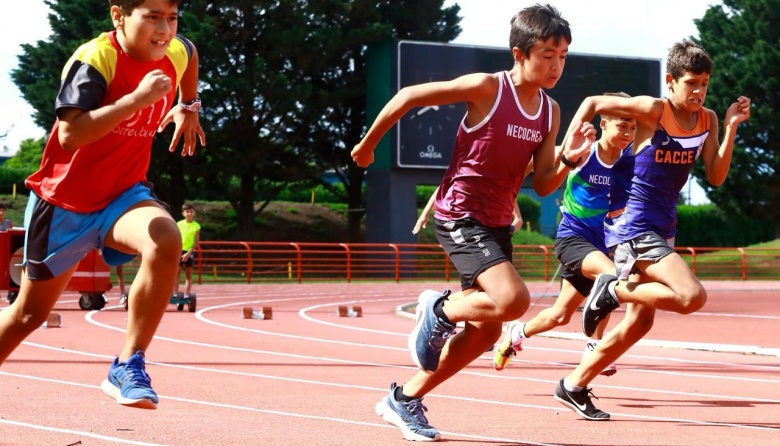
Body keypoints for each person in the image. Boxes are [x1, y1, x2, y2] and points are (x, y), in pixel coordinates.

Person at [352, 4, 595, 441]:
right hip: (460, 213)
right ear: (519, 53)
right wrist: (369, 145)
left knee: (486, 333)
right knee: (515, 300)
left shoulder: (550, 112)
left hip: (497, 223)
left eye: (563, 56)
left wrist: (571, 159)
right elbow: (409, 96)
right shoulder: (487, 88)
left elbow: (542, 184)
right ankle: (439, 309)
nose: (556, 65)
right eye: (547, 55)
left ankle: (404, 399)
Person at [0, 0, 206, 410]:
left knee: (165, 239)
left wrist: (189, 106)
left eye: (172, 17)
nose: (165, 29)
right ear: (119, 16)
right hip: (64, 203)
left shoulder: (175, 52)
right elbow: (70, 136)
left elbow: (191, 54)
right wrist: (137, 99)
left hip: (123, 196)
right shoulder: (95, 59)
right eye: (152, 17)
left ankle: (129, 363)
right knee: (28, 315)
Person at [554, 40, 751, 420]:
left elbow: (716, 175)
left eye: (705, 84)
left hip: (664, 226)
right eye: (691, 83)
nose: (698, 92)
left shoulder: (708, 119)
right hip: (633, 224)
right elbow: (595, 103)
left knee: (641, 322)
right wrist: (571, 144)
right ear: (671, 81)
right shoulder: (652, 110)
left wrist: (729, 128)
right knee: (691, 296)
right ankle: (611, 289)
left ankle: (573, 385)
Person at [493, 92, 637, 380]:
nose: (628, 133)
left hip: (600, 246)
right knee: (612, 276)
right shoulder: (584, 151)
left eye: (633, 127)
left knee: (559, 315)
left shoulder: (628, 160)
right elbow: (533, 166)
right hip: (572, 239)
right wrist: (504, 190)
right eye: (622, 125)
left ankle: (516, 332)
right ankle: (594, 346)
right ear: (604, 123)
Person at [413, 186, 523, 236]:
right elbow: (444, 186)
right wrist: (424, 214)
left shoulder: (508, 189)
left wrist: (510, 230)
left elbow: (518, 219)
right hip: (474, 234)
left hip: (497, 238)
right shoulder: (475, 176)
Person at [174, 201, 201, 299]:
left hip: (189, 251)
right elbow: (175, 238)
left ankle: (186, 295)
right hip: (178, 250)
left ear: (194, 213)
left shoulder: (196, 226)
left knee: (188, 274)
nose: (189, 213)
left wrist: (189, 253)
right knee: (177, 273)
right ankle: (175, 293)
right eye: (187, 212)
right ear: (183, 213)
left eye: (191, 211)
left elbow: (196, 242)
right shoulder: (178, 224)